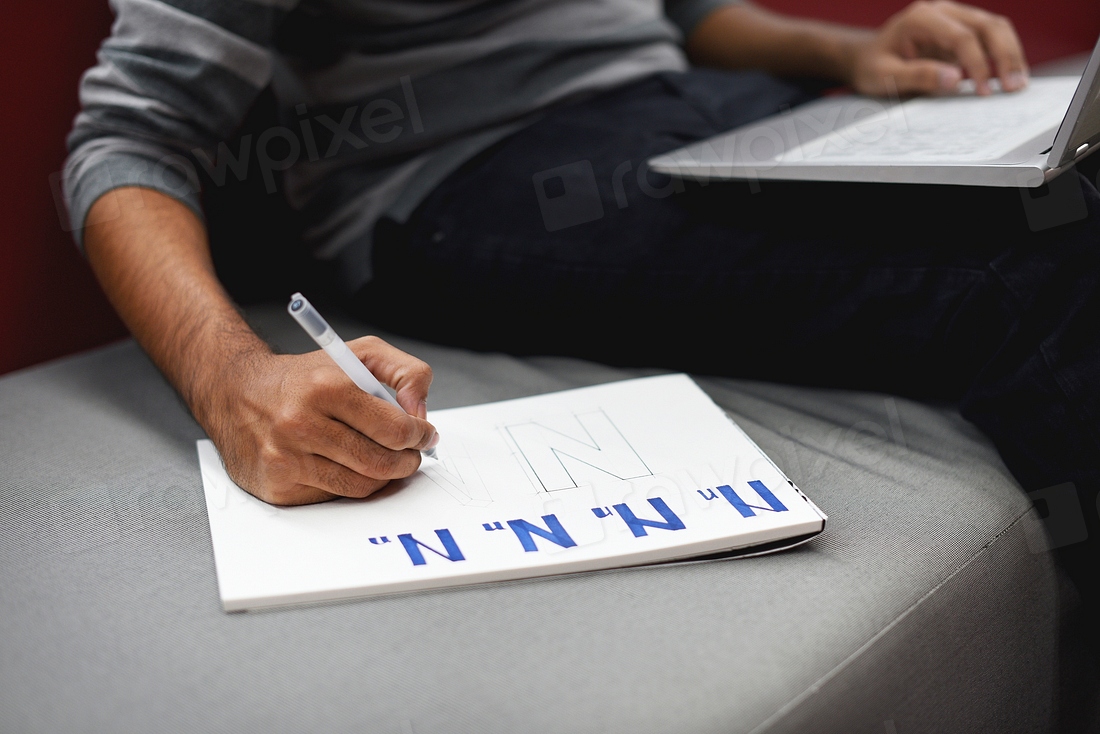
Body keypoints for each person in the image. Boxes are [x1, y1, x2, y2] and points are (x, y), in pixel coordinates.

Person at [65, 0, 1100, 620]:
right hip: (470, 175)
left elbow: (674, 16)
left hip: (690, 104)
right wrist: (228, 373)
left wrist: (848, 54)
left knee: (1065, 178)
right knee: (1020, 270)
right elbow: (128, 138)